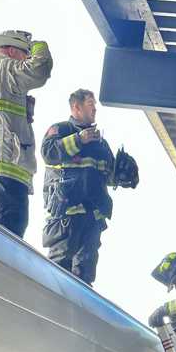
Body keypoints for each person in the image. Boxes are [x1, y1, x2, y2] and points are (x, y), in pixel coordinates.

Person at [41, 89, 139, 285]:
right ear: (76, 107)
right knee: (58, 271)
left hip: (93, 218)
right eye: (90, 103)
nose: (95, 108)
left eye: (94, 104)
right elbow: (48, 152)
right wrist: (79, 139)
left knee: (84, 277)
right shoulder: (60, 129)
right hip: (67, 215)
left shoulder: (101, 144)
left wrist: (122, 174)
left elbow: (106, 177)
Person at [0, 30, 53, 238]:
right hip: (6, 167)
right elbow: (39, 68)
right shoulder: (4, 67)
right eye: (24, 53)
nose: (26, 59)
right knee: (7, 236)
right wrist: (38, 45)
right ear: (10, 51)